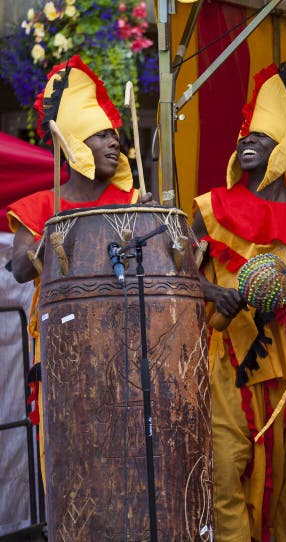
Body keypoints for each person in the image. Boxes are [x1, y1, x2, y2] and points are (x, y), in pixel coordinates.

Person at [7, 55, 140, 485]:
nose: (113, 143)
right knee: (72, 462)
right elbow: (17, 269)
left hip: (128, 345)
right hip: (64, 347)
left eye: (114, 135)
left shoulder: (137, 203)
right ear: (76, 144)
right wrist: (45, 244)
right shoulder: (42, 206)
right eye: (100, 136)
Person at [192, 63, 286, 542]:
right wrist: (211, 290)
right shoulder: (207, 207)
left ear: (281, 150)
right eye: (244, 135)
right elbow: (173, 273)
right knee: (227, 472)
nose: (247, 143)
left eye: (260, 136)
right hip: (227, 362)